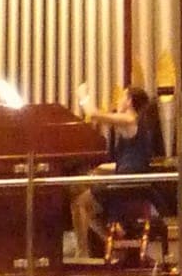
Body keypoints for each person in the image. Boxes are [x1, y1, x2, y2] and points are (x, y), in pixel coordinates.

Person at [70, 86, 164, 260]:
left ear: (129, 101)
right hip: (128, 180)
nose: (118, 101)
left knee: (80, 203)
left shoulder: (130, 119)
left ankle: (83, 252)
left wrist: (83, 96)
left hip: (128, 185)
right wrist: (97, 170)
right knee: (82, 196)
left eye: (122, 97)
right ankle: (114, 242)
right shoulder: (135, 125)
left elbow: (94, 114)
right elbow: (126, 162)